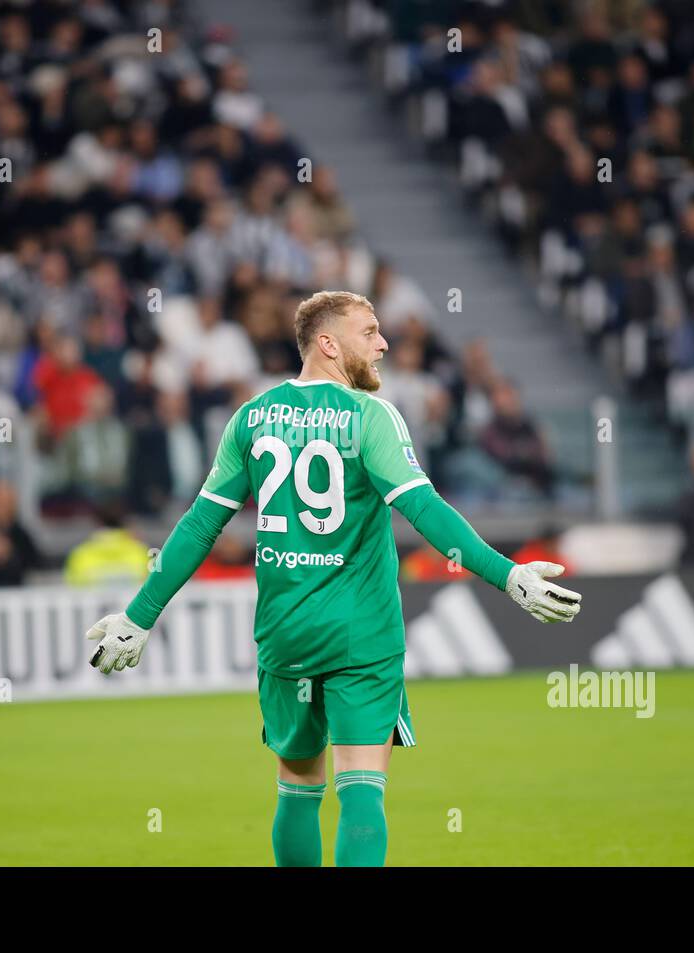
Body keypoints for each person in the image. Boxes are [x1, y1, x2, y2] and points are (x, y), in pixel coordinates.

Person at [84, 291, 584, 867]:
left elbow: (200, 526)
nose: (383, 343)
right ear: (328, 343)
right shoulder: (369, 417)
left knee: (297, 789)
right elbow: (424, 511)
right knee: (362, 790)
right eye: (368, 332)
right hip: (360, 635)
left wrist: (138, 616)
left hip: (285, 636)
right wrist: (509, 575)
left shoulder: (251, 416)